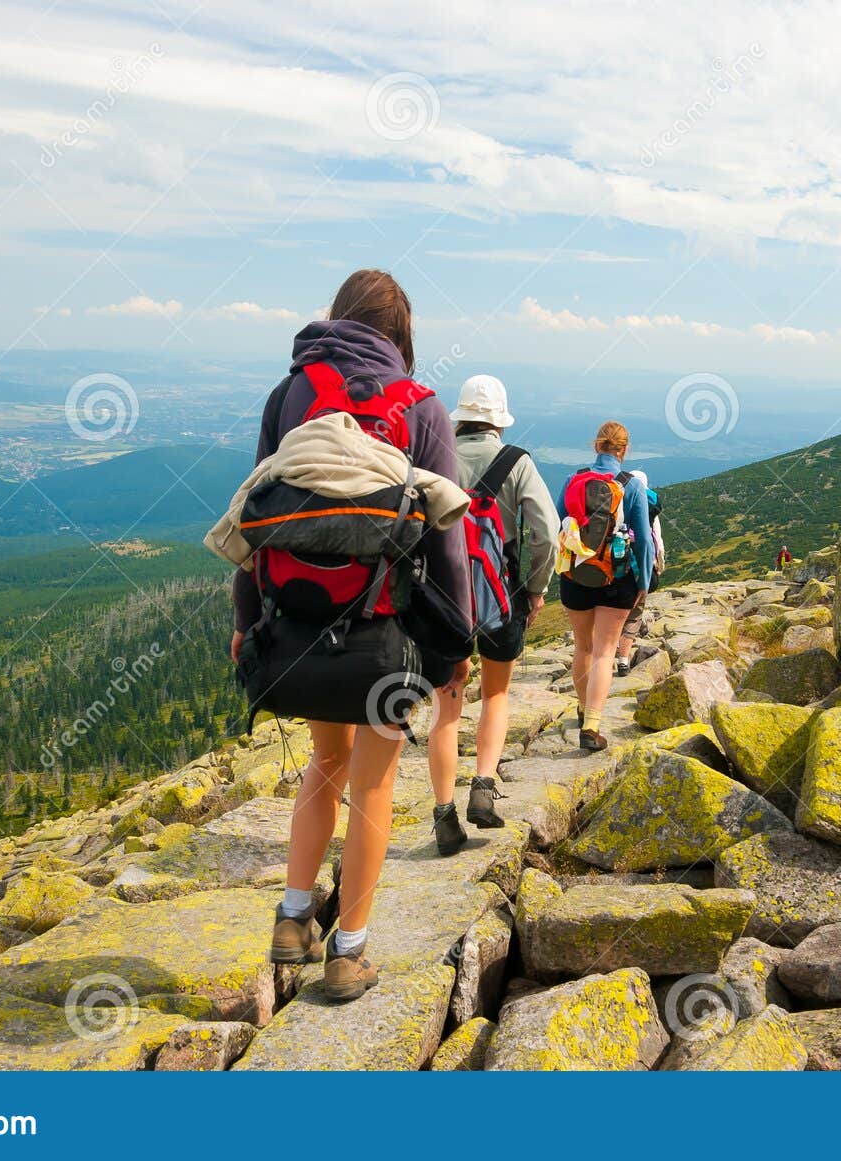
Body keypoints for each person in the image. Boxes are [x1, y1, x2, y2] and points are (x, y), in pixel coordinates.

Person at [228, 269, 470, 1002]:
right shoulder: (421, 409)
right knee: (373, 779)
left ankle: (294, 915)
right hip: (382, 632)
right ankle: (350, 953)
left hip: (298, 621)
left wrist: (247, 623)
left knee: (323, 762)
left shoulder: (290, 395)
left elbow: (253, 510)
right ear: (401, 338)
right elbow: (448, 542)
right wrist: (454, 646)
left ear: (338, 319)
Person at [426, 374, 560, 855]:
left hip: (443, 602)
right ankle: (483, 786)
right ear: (499, 421)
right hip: (501, 598)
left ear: (460, 417)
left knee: (447, 704)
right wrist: (535, 589)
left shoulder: (434, 454)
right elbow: (546, 531)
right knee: (497, 693)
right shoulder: (516, 462)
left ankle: (444, 817)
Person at [555, 421, 654, 751]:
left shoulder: (574, 479)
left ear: (596, 446)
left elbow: (558, 525)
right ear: (624, 451)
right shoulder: (632, 486)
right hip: (618, 578)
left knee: (582, 647)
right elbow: (644, 542)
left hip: (576, 576)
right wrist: (642, 583)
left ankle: (583, 711)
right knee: (605, 650)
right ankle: (593, 726)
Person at [615, 466, 665, 677]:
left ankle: (605, 658)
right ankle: (623, 661)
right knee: (634, 615)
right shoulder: (650, 508)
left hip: (616, 565)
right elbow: (656, 542)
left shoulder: (616, 501)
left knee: (613, 614)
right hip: (640, 569)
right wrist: (658, 567)